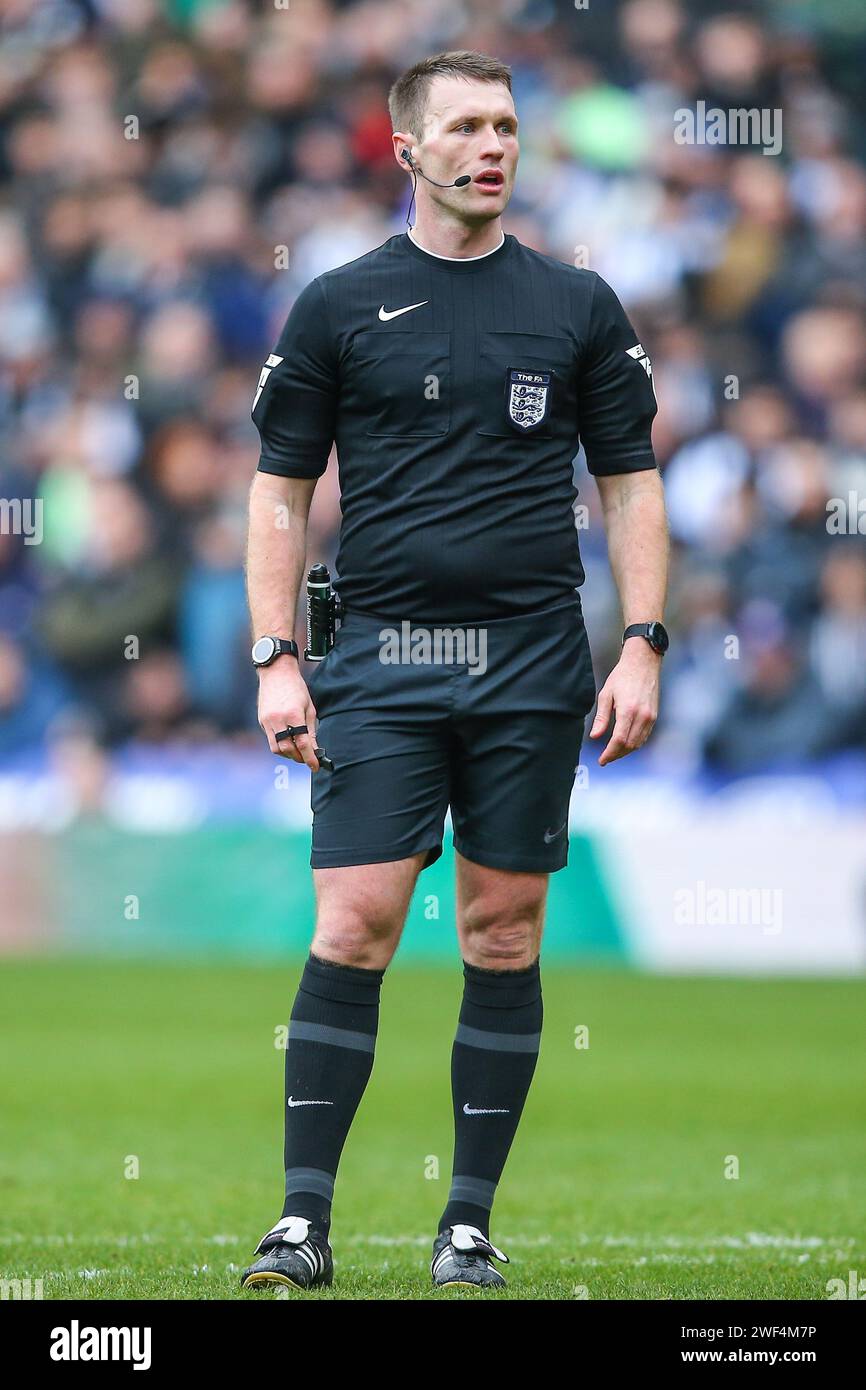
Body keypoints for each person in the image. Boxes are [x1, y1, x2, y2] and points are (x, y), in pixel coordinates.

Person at [242, 50, 669, 1292]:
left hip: (532, 657)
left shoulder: (578, 305)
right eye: (468, 126)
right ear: (409, 149)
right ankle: (301, 1222)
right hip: (378, 655)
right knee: (356, 920)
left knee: (499, 930)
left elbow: (630, 486)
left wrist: (640, 639)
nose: (494, 145)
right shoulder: (334, 303)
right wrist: (277, 656)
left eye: (508, 125)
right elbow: (278, 494)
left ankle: (465, 1224)